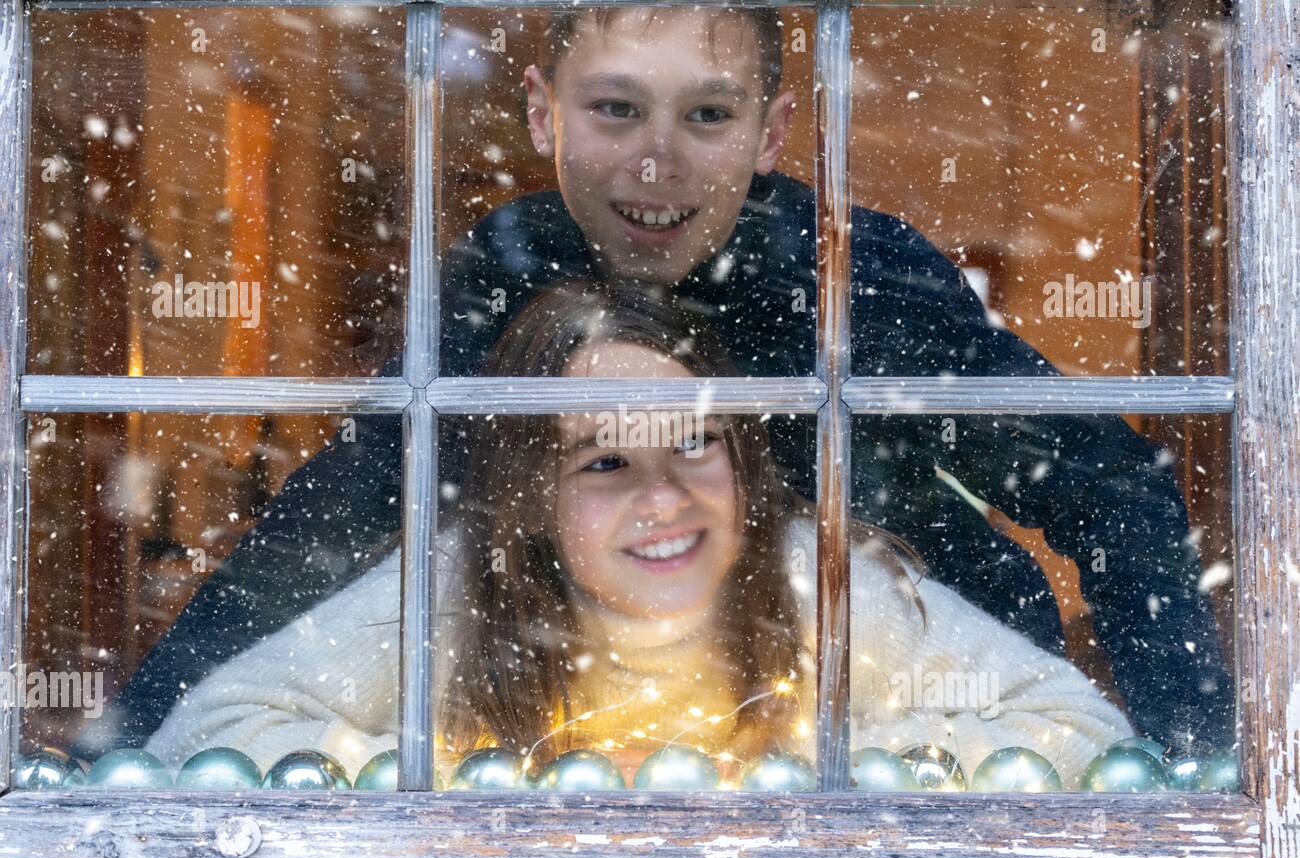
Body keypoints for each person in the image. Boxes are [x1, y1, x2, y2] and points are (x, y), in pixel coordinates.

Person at [100, 5, 1230, 761]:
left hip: (904, 716)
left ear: (772, 131)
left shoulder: (856, 279)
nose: (656, 159)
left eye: (706, 113)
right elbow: (335, 518)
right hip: (584, 714)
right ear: (544, 115)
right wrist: (129, 759)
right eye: (615, 109)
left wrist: (1190, 769)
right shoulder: (499, 279)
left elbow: (1108, 485)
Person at [143, 283, 1134, 787]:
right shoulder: (458, 586)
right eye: (603, 461)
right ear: (529, 496)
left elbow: (1081, 736)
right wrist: (468, 769)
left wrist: (822, 760)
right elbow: (207, 735)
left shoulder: (809, 579)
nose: (663, 497)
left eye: (695, 443)